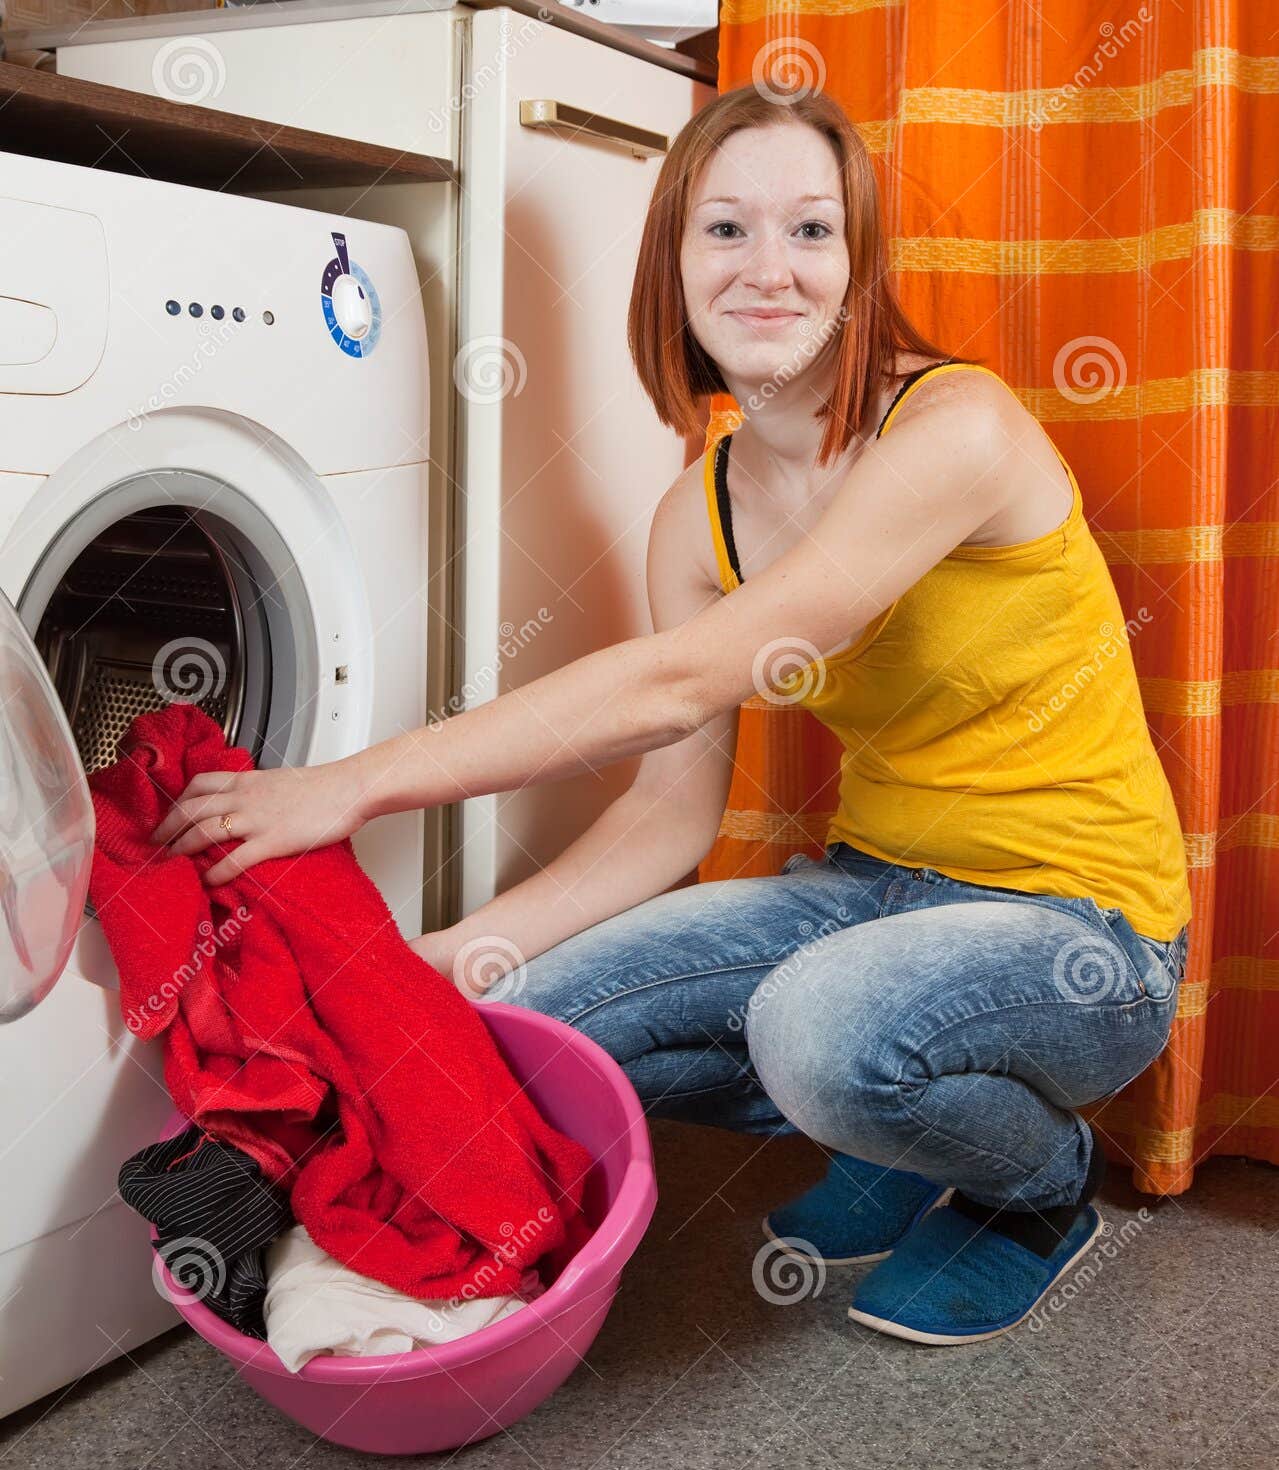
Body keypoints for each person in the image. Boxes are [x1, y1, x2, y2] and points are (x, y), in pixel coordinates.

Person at [150, 81, 1191, 1346]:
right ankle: (892, 1115)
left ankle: (1030, 1185)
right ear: (674, 263)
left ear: (859, 263)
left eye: (812, 231)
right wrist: (441, 972)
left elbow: (682, 681)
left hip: (1079, 928)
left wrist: (351, 782)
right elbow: (665, 811)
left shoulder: (957, 428)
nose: (770, 270)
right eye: (725, 231)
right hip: (871, 894)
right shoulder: (693, 519)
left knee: (822, 1033)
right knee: (524, 1026)